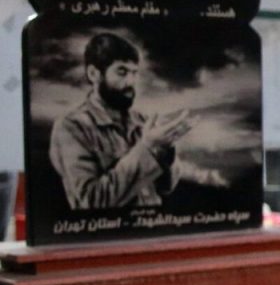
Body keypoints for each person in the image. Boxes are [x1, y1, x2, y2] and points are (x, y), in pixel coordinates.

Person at [49, 32, 191, 209]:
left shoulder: (141, 120)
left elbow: (166, 188)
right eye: (122, 72)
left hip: (151, 229)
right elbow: (90, 201)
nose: (131, 82)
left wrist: (164, 148)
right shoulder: (71, 127)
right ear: (94, 74)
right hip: (107, 234)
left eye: (134, 73)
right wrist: (146, 147)